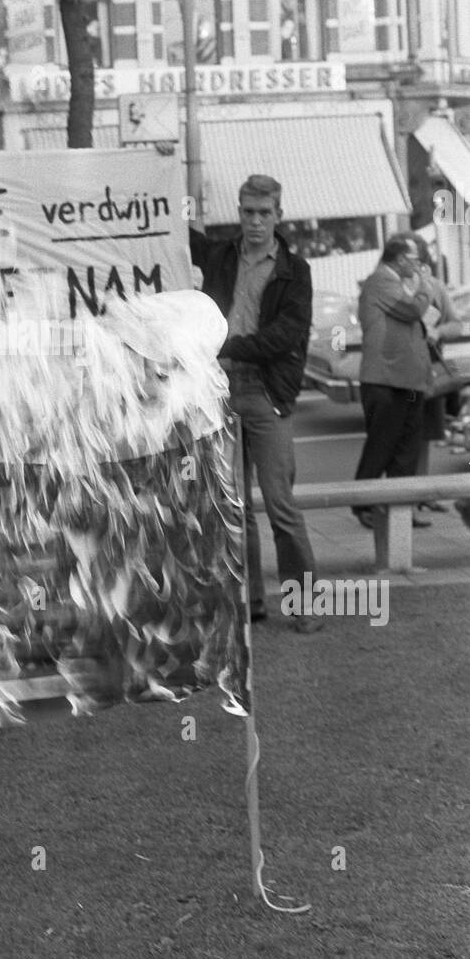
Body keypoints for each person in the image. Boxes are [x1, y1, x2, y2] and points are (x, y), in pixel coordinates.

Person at [190, 174, 320, 633]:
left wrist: (232, 345)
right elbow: (171, 229)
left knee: (281, 504)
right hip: (221, 392)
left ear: (278, 215)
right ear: (239, 213)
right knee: (233, 506)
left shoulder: (295, 270)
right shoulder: (221, 255)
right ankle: (250, 604)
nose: (256, 221)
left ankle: (306, 606)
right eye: (248, 211)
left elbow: (287, 334)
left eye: (265, 213)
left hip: (266, 394)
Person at [353, 234, 433, 528]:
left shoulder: (397, 283)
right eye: (416, 260)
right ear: (400, 259)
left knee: (405, 448)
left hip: (407, 380)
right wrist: (426, 284)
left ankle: (402, 509)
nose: (420, 265)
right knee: (383, 444)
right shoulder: (380, 281)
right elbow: (413, 310)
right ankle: (363, 505)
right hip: (385, 379)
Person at [411, 235, 464, 513]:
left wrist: (437, 331)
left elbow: (456, 325)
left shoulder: (435, 288)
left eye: (418, 260)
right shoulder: (389, 286)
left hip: (429, 370)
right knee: (401, 435)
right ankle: (403, 496)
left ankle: (421, 494)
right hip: (399, 371)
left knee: (425, 434)